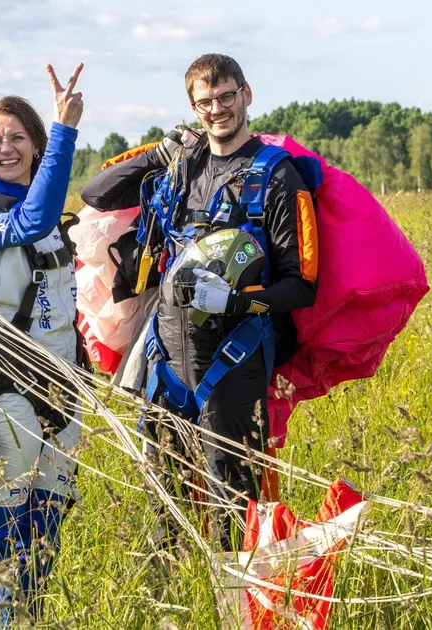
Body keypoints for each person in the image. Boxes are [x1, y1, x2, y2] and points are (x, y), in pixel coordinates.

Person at [80, 53, 318, 549]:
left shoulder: (278, 178)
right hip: (166, 362)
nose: (217, 110)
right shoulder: (180, 167)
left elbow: (302, 286)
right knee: (164, 509)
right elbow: (96, 194)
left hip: (233, 365)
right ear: (192, 107)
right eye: (204, 102)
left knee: (233, 507)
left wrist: (234, 301)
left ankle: (234, 612)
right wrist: (159, 153)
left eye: (226, 97)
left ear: (246, 95)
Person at [0, 63, 85, 624]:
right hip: (7, 387)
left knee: (47, 531)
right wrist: (65, 130)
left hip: (67, 389)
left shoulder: (60, 217)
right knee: (5, 536)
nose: (5, 148)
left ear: (32, 145)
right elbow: (31, 220)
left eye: (16, 136)